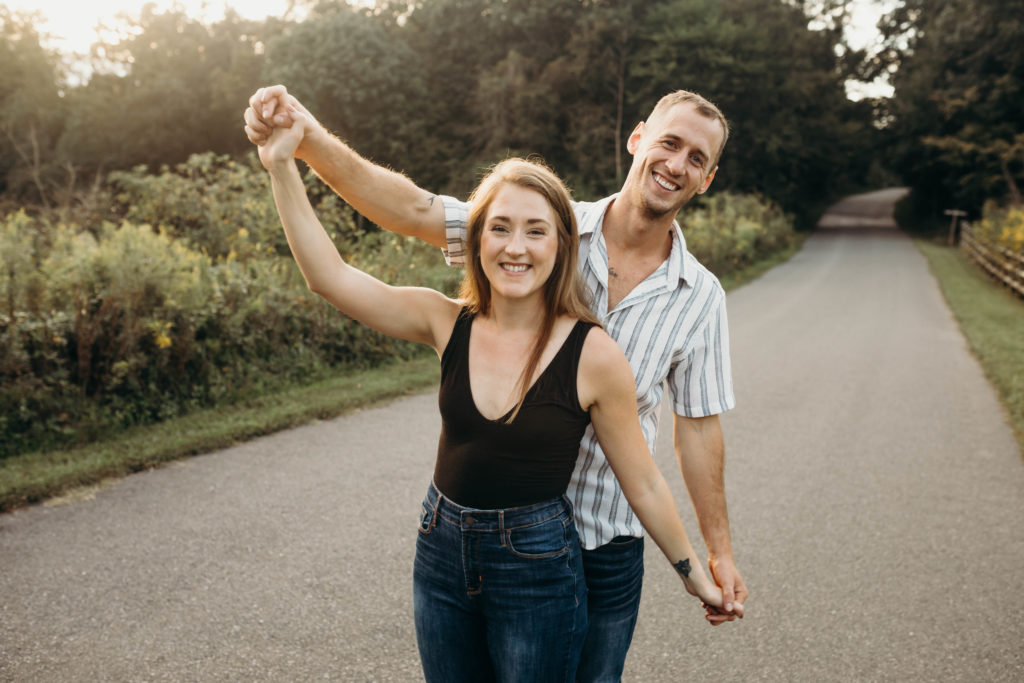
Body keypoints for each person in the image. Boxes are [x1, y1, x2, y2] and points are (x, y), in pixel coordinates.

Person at [245, 85, 748, 681]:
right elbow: (405, 216)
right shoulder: (539, 218)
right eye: (670, 143)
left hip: (603, 538)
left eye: (696, 158)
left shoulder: (692, 299)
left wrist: (712, 558)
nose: (677, 164)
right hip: (455, 540)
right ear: (638, 139)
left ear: (707, 178)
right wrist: (298, 147)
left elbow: (691, 436)